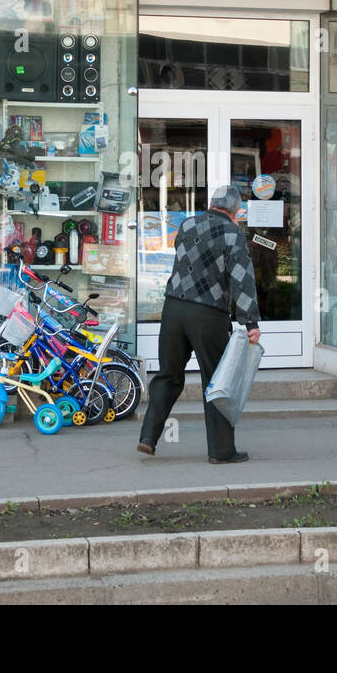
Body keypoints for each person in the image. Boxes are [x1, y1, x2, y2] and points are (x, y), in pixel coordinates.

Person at [138, 185, 261, 464]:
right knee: (217, 381)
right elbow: (242, 280)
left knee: (168, 375)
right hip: (207, 313)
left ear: (212, 203)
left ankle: (148, 437)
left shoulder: (188, 224)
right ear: (235, 210)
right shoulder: (233, 234)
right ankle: (221, 451)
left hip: (173, 309)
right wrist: (250, 321)